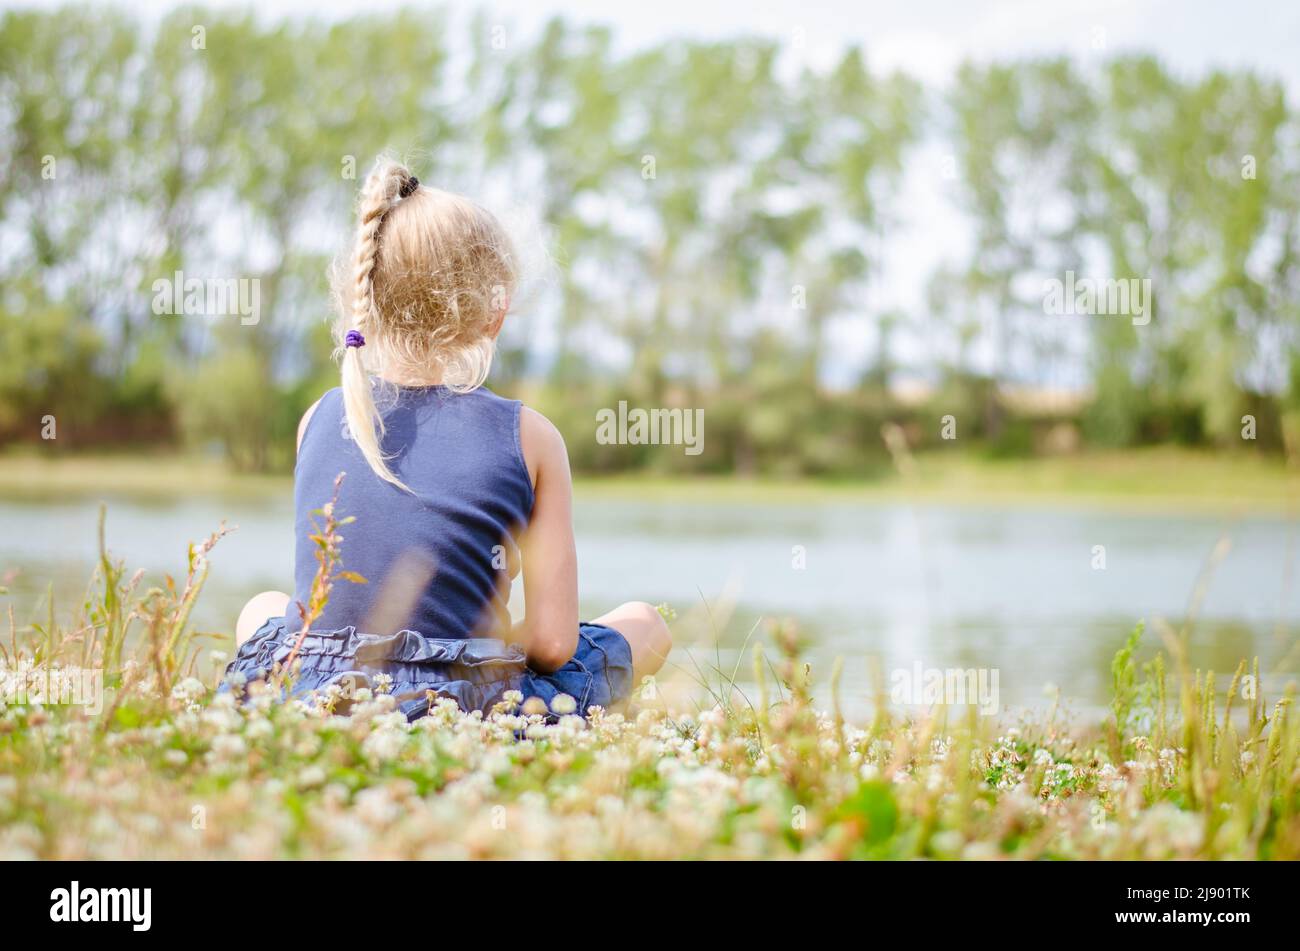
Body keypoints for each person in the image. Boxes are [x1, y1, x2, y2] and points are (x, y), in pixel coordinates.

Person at [225, 156, 670, 719]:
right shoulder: (531, 435)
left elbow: (325, 605)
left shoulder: (318, 415)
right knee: (645, 624)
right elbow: (555, 646)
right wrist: (490, 641)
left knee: (260, 609)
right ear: (496, 312)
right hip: (463, 702)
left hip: (317, 694)